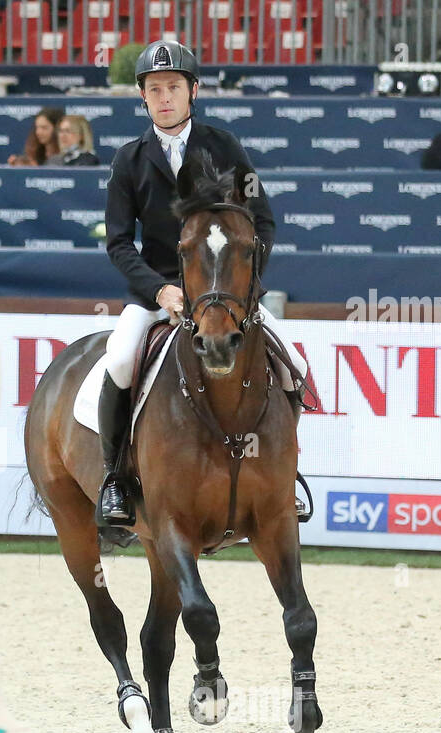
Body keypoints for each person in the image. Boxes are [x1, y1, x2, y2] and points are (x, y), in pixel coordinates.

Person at [99, 41, 306, 529]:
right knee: (122, 359)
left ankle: (285, 474)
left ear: (193, 91)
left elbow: (263, 224)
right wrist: (159, 292)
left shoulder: (225, 147)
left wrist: (242, 290)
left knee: (293, 364)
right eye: (154, 89)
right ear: (142, 97)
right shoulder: (127, 161)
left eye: (173, 87)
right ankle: (115, 479)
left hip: (225, 295)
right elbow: (118, 244)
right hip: (161, 293)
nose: (164, 96)